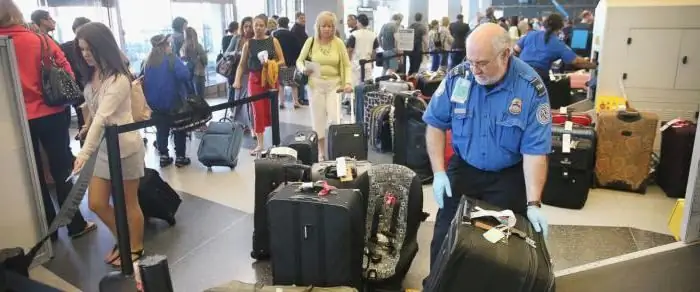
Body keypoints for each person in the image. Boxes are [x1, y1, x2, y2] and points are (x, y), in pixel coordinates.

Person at [422, 23, 551, 275]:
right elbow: (435, 124)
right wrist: (438, 172)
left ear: (506, 55)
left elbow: (535, 152)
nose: (474, 69)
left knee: (501, 248)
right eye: (470, 61)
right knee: (444, 238)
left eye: (481, 62)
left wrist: (533, 202)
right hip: (464, 168)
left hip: (507, 175)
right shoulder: (459, 77)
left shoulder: (530, 89)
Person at [0, 0, 96, 242]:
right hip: (51, 113)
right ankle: (75, 224)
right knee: (62, 167)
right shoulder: (40, 40)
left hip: (14, 121)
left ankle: (44, 231)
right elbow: (67, 71)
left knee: (30, 175)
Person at [72, 22, 146, 267]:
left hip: (124, 148)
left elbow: (104, 117)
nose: (85, 54)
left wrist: (84, 152)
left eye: (89, 49)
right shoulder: (94, 74)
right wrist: (85, 127)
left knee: (128, 203)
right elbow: (96, 110)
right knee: (96, 203)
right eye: (82, 49)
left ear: (102, 47)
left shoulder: (119, 79)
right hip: (104, 149)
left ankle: (135, 247)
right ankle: (123, 240)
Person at [296, 11, 352, 161]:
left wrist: (347, 83)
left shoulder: (338, 43)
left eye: (330, 26)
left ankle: (336, 151)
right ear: (318, 27)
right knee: (318, 120)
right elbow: (299, 61)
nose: (327, 29)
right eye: (324, 26)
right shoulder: (311, 41)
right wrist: (303, 69)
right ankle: (321, 152)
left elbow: (346, 65)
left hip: (335, 86)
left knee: (335, 119)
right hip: (315, 85)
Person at [232, 14, 286, 155]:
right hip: (255, 79)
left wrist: (271, 64)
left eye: (261, 25)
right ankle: (260, 144)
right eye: (256, 25)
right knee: (257, 111)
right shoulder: (248, 44)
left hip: (270, 78)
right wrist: (237, 80)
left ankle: (275, 141)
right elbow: (242, 65)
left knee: (271, 110)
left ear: (266, 26)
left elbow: (282, 60)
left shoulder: (273, 41)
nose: (258, 28)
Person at [143, 34, 193, 168]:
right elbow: (185, 75)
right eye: (168, 44)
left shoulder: (147, 62)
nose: (170, 46)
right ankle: (180, 157)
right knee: (179, 128)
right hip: (173, 102)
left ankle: (164, 156)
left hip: (154, 104)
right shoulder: (171, 59)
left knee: (161, 130)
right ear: (164, 46)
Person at [513, 13, 596, 89]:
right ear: (559, 28)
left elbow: (516, 50)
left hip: (519, 74)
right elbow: (576, 61)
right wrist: (594, 65)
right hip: (538, 78)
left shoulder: (531, 34)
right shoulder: (557, 43)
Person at [60, 17, 92, 144]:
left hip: (96, 86)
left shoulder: (96, 46)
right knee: (83, 122)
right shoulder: (66, 47)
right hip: (78, 90)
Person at [225, 16, 254, 132]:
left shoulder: (256, 39)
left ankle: (251, 122)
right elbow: (227, 53)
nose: (247, 29)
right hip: (239, 72)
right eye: (245, 26)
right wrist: (237, 53)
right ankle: (242, 123)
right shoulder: (237, 38)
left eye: (250, 26)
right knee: (239, 100)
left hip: (252, 72)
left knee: (251, 101)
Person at [273, 16, 303, 109]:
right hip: (291, 62)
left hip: (279, 63)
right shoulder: (292, 34)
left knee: (280, 83)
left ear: (278, 24)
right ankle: (296, 102)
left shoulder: (274, 35)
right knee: (293, 83)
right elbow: (298, 48)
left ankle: (281, 102)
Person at [346, 13, 379, 85]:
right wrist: (372, 62)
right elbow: (374, 52)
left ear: (358, 22)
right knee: (367, 87)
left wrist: (348, 63)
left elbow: (349, 50)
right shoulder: (373, 35)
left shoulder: (354, 34)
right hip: (368, 64)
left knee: (354, 87)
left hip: (355, 64)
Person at [182, 27, 208, 99]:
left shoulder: (184, 46)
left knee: (192, 97)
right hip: (199, 73)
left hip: (189, 74)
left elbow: (184, 59)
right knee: (200, 97)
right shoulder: (198, 46)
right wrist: (203, 55)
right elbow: (205, 61)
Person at [291, 12, 309, 105]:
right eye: (301, 18)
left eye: (304, 18)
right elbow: (299, 45)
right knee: (300, 78)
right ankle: (300, 98)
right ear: (296, 19)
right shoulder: (296, 30)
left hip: (301, 56)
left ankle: (301, 97)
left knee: (302, 78)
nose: (304, 20)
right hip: (299, 57)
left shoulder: (300, 29)